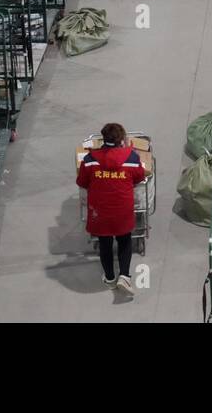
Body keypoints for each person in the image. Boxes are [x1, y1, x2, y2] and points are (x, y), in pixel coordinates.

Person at [76, 122, 147, 295]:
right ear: (122, 139)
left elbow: (82, 182)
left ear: (103, 139)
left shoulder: (90, 159)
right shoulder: (131, 157)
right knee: (124, 240)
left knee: (105, 242)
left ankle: (109, 278)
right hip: (122, 209)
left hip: (99, 211)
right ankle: (125, 276)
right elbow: (139, 177)